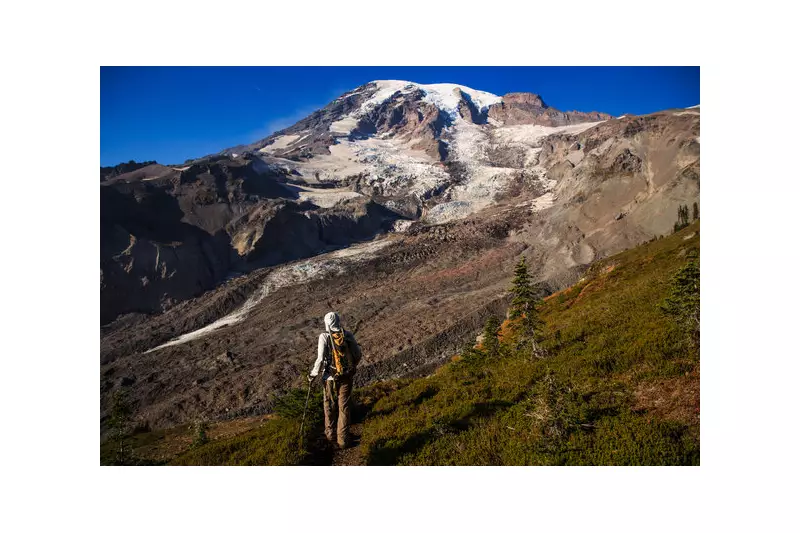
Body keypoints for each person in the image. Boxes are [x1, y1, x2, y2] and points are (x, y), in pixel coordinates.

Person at [308, 312, 362, 449]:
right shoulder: (347, 335)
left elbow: (320, 359)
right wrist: (350, 367)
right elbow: (358, 355)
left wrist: (313, 374)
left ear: (327, 323)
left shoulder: (324, 337)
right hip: (345, 378)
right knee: (344, 408)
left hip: (329, 379)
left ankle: (330, 436)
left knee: (329, 407)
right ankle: (343, 440)